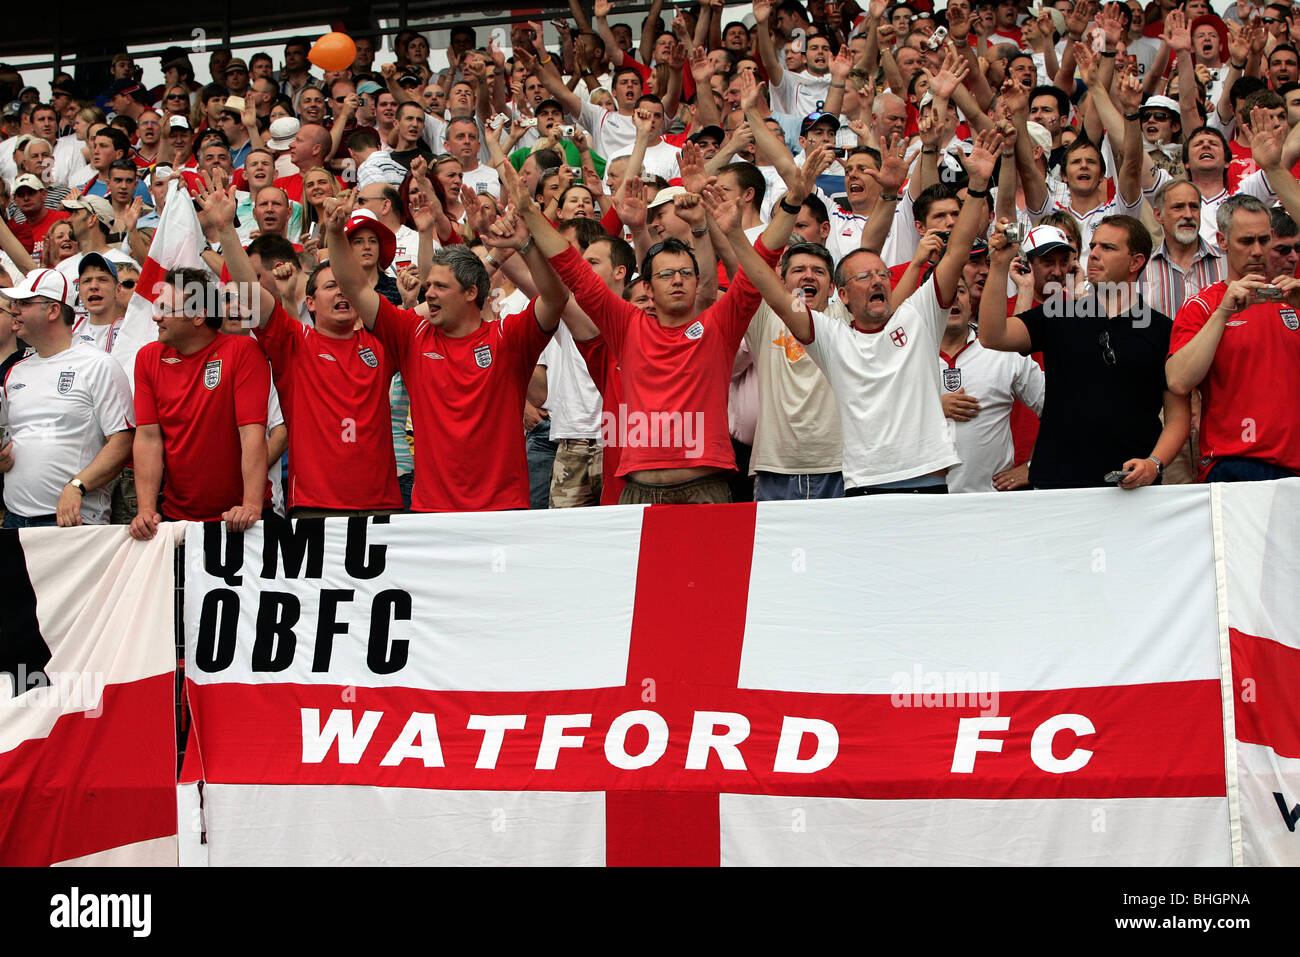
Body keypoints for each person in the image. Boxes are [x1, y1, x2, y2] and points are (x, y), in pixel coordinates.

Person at [323, 171, 569, 512]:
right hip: (432, 515)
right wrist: (335, 233)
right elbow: (355, 288)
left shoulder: (507, 337)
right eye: (430, 286)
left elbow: (555, 298)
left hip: (502, 511)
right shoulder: (411, 334)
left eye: (441, 287)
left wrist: (524, 245)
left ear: (471, 293)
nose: (430, 293)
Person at [197, 175, 402, 516]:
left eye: (345, 286)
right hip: (314, 507)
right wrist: (226, 230)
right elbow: (249, 291)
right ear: (309, 301)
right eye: (329, 286)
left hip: (382, 506)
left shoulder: (384, 342)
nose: (341, 292)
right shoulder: (293, 342)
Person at [981, 213, 1191, 490]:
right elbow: (993, 335)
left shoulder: (1163, 330)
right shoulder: (1057, 314)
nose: (1094, 254)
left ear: (1136, 262)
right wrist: (998, 264)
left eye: (1108, 248)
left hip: (1133, 489)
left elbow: (1178, 416)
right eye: (1093, 246)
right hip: (1058, 484)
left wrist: (1154, 463)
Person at [1167, 192, 1300, 481]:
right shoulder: (1204, 305)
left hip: (1294, 467)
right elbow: (1178, 380)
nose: (1256, 251)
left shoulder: (1294, 297)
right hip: (1233, 463)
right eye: (1246, 241)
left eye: (1264, 240)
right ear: (1223, 241)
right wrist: (1223, 313)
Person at [129, 267, 270, 538]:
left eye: (166, 309)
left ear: (198, 316)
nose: (156, 317)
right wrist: (146, 510)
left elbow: (251, 432)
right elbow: (148, 438)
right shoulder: (148, 357)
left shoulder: (242, 351)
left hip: (240, 518)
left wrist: (251, 505)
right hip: (175, 518)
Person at [0, 267, 133, 527]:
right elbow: (8, 437)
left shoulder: (98, 365)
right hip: (15, 519)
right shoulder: (15, 372)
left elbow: (122, 442)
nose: (14, 310)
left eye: (24, 303)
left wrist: (77, 486)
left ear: (52, 311)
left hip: (74, 520)